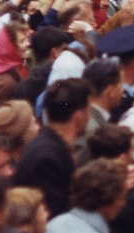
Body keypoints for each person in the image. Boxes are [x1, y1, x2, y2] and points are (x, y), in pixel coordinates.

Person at [13, 78, 91, 218]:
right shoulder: (47, 158)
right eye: (88, 111)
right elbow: (54, 215)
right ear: (79, 117)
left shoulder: (49, 146)